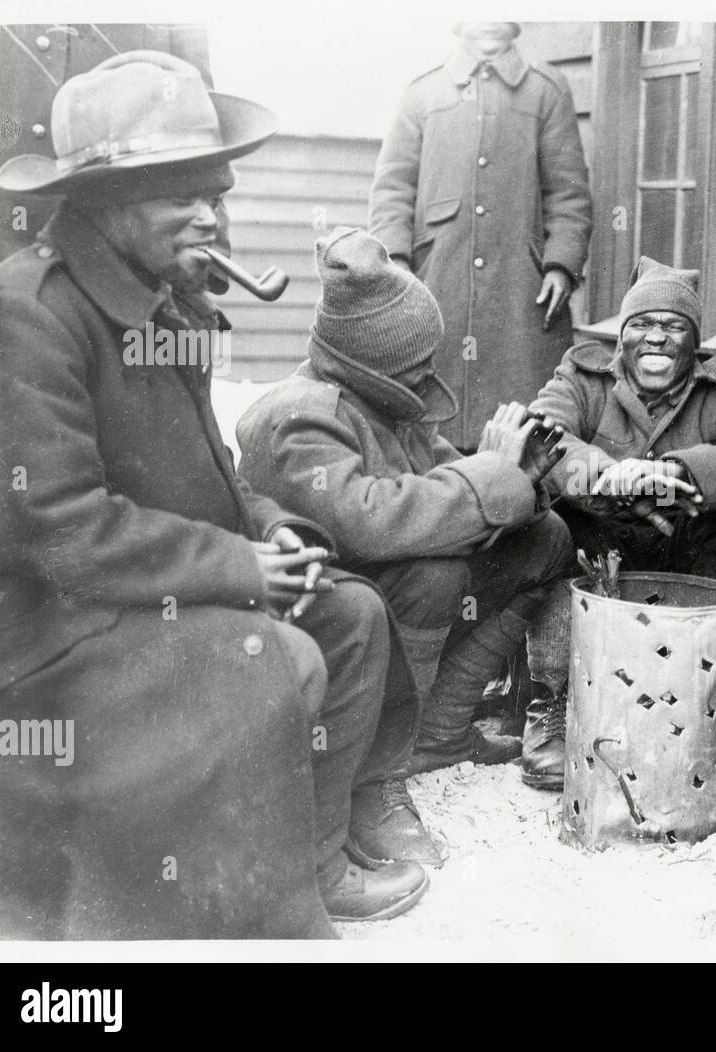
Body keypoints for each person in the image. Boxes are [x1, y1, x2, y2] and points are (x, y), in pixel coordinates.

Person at [0, 52, 429, 937]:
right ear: (103, 203)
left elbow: (211, 472)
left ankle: (313, 863)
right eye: (180, 196)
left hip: (153, 582)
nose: (211, 217)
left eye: (217, 192)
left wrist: (272, 528)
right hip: (57, 627)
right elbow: (59, 528)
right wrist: (241, 568)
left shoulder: (171, 304)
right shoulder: (28, 313)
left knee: (351, 616)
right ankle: (251, 917)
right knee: (274, 658)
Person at [237, 227, 575, 801]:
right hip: (324, 615)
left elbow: (441, 483)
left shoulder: (384, 399)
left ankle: (440, 732)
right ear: (375, 362)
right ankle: (377, 770)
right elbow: (370, 523)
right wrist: (492, 471)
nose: (428, 373)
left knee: (545, 539)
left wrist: (522, 477)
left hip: (388, 598)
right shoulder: (301, 416)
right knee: (434, 572)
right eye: (417, 363)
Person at [523, 257, 716, 788]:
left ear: (694, 342)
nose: (657, 340)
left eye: (674, 328)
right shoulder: (582, 376)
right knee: (550, 529)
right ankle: (553, 705)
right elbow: (543, 432)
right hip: (601, 543)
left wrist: (678, 470)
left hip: (687, 544)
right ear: (622, 337)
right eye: (642, 326)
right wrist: (609, 475)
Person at [368, 21, 593, 449]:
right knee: (428, 418)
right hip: (436, 281)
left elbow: (569, 195)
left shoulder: (546, 90)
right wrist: (396, 263)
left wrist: (561, 266)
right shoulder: (423, 93)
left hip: (519, 287)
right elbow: (392, 189)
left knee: (528, 419)